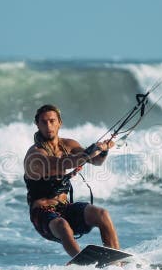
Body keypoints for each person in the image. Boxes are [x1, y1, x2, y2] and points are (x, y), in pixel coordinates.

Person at [23, 104, 118, 257]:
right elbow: (64, 163)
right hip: (42, 215)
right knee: (62, 224)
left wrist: (103, 151)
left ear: (59, 122)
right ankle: (81, 261)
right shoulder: (35, 155)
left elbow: (96, 161)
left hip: (64, 208)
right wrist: (89, 153)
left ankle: (115, 259)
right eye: (44, 122)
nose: (48, 126)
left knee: (102, 214)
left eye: (52, 121)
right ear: (37, 125)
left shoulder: (69, 145)